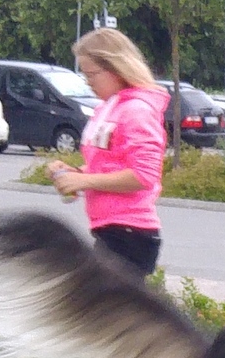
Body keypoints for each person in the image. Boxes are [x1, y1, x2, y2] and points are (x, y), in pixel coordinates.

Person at [47, 27, 167, 277]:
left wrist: (84, 180)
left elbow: (144, 176)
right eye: (84, 74)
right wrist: (73, 174)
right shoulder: (109, 108)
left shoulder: (136, 110)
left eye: (92, 74)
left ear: (116, 68)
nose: (88, 81)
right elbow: (109, 167)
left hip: (129, 233)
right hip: (112, 230)